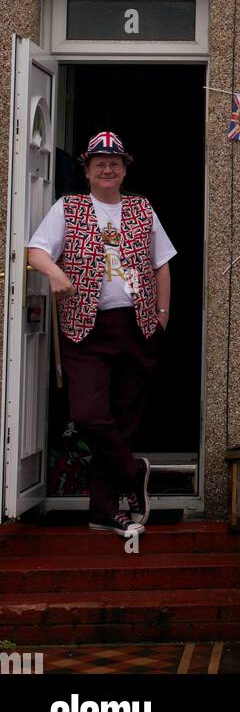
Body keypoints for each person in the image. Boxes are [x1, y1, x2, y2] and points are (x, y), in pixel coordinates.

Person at [27, 131, 176, 537]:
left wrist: (162, 315)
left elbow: (161, 263)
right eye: (99, 163)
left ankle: (103, 510)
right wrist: (55, 272)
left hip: (137, 325)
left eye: (114, 162)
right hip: (86, 329)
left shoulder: (142, 209)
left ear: (125, 168)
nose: (107, 168)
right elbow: (35, 250)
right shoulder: (69, 208)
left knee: (123, 421)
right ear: (88, 170)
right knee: (89, 415)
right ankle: (134, 472)